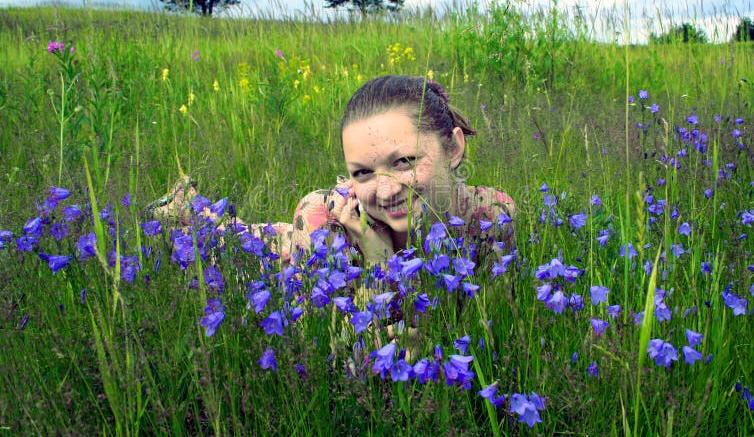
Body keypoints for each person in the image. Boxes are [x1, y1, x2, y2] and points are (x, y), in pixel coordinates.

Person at [147, 75, 516, 268]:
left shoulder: (491, 216)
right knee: (234, 240)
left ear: (453, 147)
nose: (386, 192)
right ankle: (187, 206)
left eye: (404, 161)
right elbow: (356, 355)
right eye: (363, 172)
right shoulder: (323, 216)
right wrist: (377, 259)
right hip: (300, 246)